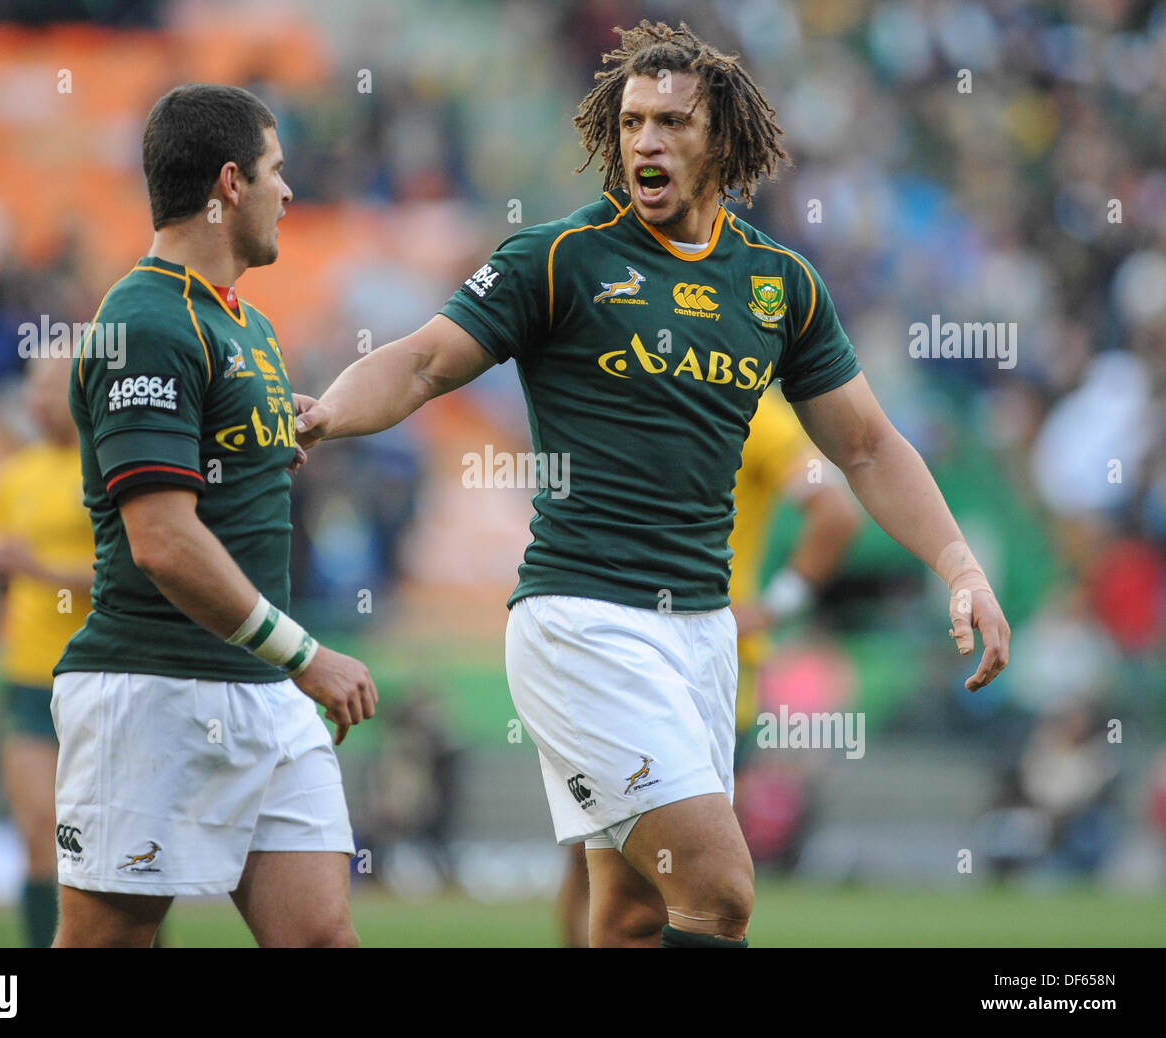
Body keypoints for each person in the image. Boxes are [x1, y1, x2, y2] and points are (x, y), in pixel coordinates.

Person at [295, 21, 1010, 948]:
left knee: (631, 916)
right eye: (632, 122)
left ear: (722, 140)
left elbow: (868, 447)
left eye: (671, 123)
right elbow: (425, 361)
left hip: (705, 634)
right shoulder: (558, 259)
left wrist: (960, 565)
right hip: (585, 622)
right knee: (719, 891)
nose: (645, 142)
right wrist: (328, 414)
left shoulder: (778, 283)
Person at [52, 83, 377, 948]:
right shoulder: (147, 319)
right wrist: (305, 655)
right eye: (277, 171)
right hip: (151, 687)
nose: (289, 191)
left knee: (320, 939)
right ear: (230, 184)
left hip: (257, 690)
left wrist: (270, 435)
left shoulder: (251, 329)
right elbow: (160, 541)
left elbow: (215, 464)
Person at [555, 385, 862, 946]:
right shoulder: (720, 400)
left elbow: (836, 514)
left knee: (627, 865)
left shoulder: (750, 413)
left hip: (676, 658)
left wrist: (772, 609)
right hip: (660, 658)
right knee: (641, 867)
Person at [0, 356, 94, 947]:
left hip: (97, 672)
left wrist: (44, 570)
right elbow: (0, 576)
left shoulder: (106, 468)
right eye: (34, 388)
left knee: (115, 841)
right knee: (37, 830)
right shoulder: (13, 477)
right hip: (26, 674)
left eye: (54, 387)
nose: (41, 400)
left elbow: (128, 569)